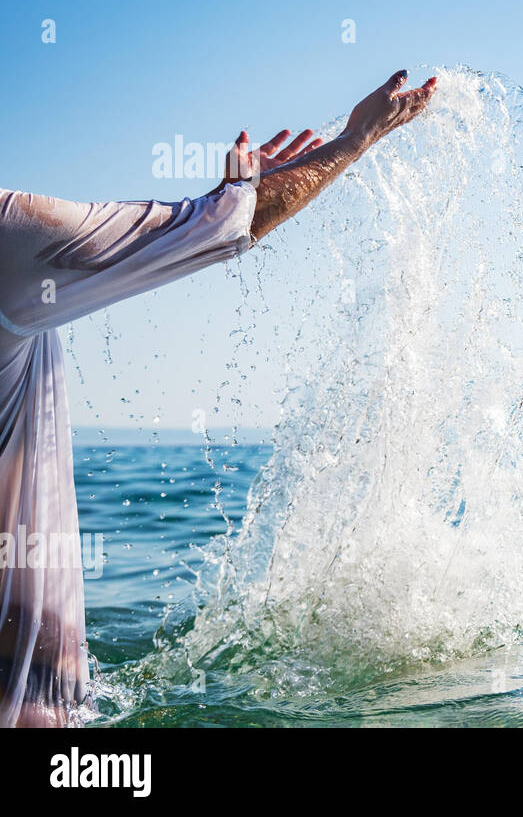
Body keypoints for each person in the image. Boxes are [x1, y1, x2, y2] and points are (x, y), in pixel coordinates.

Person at [0, 70, 436, 727]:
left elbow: (190, 230)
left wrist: (222, 202)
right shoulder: (10, 240)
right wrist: (356, 138)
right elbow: (228, 227)